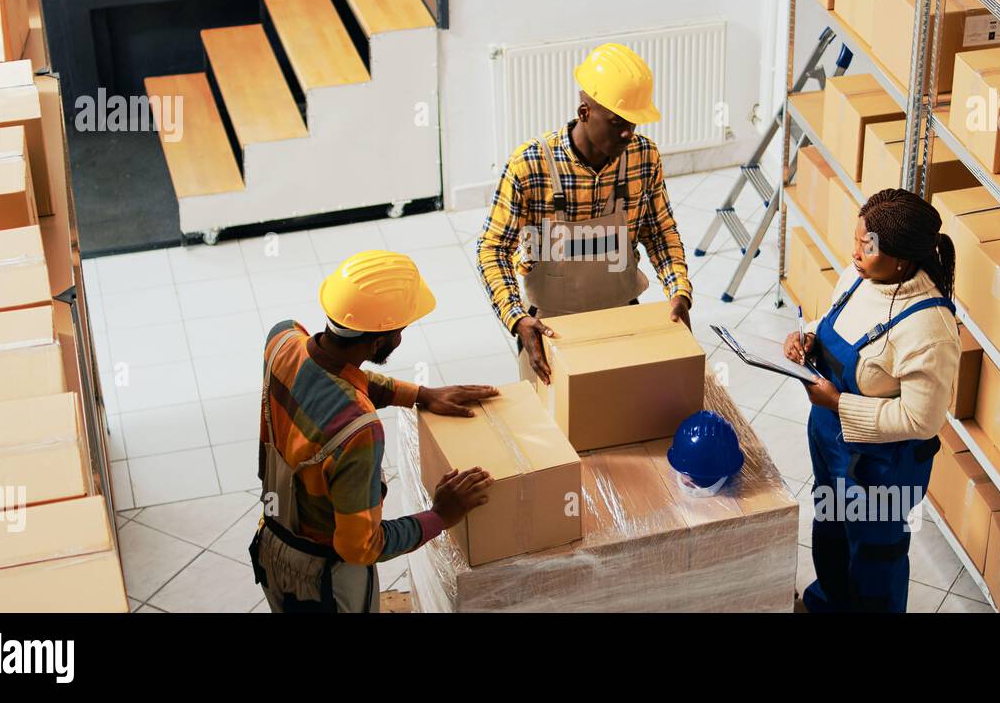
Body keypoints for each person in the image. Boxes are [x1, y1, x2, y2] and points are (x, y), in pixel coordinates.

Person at [250, 249, 499, 613]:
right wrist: (441, 516)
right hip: (325, 583)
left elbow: (331, 376)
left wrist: (419, 394)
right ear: (384, 339)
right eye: (399, 330)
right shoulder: (359, 432)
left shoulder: (282, 339)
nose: (400, 337)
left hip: (272, 545)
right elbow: (360, 547)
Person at [782, 188, 960, 613]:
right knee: (831, 530)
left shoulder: (930, 327)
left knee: (873, 556)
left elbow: (922, 419)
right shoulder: (858, 277)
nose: (855, 253)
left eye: (867, 246)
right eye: (857, 240)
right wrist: (806, 337)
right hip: (830, 439)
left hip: (883, 467)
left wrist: (839, 405)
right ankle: (828, 604)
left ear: (900, 258)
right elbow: (829, 321)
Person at [477, 42, 693, 384]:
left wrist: (679, 290)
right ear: (584, 112)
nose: (628, 133)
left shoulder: (644, 157)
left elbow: (660, 232)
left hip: (622, 317)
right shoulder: (529, 166)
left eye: (634, 123)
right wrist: (516, 319)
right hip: (549, 327)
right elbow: (492, 250)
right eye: (617, 122)